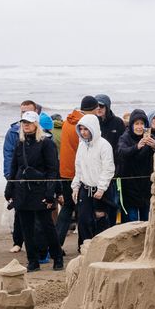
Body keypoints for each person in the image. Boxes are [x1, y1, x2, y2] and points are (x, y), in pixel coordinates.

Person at [5, 112, 64, 272]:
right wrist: (9, 189)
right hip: (23, 190)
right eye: (24, 122)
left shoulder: (46, 143)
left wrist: (50, 193)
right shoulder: (20, 143)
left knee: (46, 226)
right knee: (26, 227)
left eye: (29, 122)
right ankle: (33, 261)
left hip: (41, 189)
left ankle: (57, 257)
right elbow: (14, 168)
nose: (26, 125)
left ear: (36, 124)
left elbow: (53, 170)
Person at [72, 113, 116, 245]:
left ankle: (100, 247)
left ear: (93, 129)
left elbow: (108, 168)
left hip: (100, 189)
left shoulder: (104, 145)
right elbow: (78, 167)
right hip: (85, 187)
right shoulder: (81, 145)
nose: (83, 132)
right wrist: (75, 186)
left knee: (100, 218)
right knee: (84, 219)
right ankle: (85, 246)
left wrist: (102, 188)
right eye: (81, 129)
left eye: (86, 129)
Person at [2, 101, 40, 251]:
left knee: (36, 213)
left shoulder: (40, 134)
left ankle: (35, 243)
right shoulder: (13, 132)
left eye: (28, 112)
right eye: (22, 112)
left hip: (35, 179)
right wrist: (9, 177)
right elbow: (8, 154)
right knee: (19, 210)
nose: (24, 115)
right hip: (18, 176)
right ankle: (17, 242)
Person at [114, 108, 155, 223]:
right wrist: (136, 147)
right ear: (131, 125)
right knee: (132, 222)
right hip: (129, 188)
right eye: (136, 124)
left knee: (147, 221)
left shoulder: (151, 137)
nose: (139, 127)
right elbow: (121, 153)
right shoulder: (125, 137)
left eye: (142, 124)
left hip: (146, 187)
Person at [58, 97, 93, 248]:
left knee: (68, 207)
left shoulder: (68, 122)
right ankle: (82, 245)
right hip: (77, 173)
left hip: (65, 171)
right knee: (80, 209)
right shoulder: (82, 125)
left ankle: (56, 244)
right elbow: (84, 149)